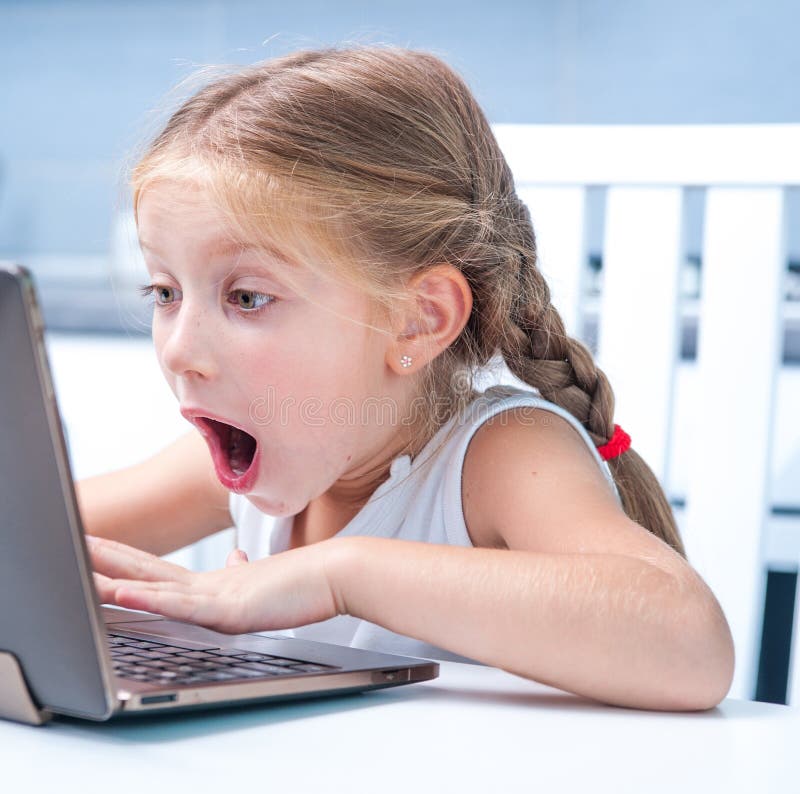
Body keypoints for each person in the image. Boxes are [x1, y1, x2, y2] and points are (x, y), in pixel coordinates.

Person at [81, 45, 734, 711]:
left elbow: (691, 646)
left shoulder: (498, 457)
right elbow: (39, 534)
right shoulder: (247, 455)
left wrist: (338, 576)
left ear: (418, 321)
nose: (179, 350)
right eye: (165, 292)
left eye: (247, 297)